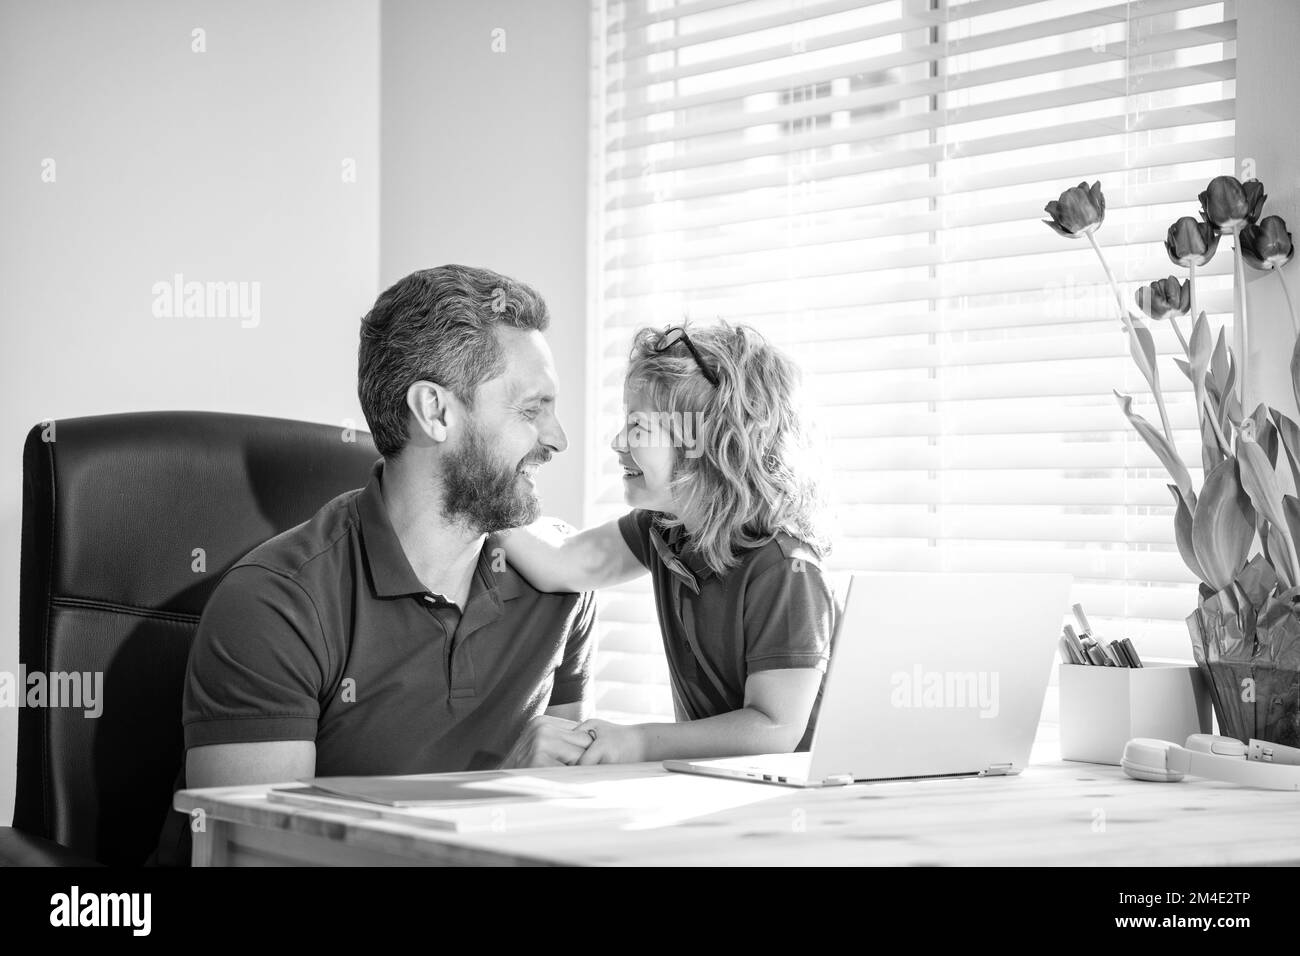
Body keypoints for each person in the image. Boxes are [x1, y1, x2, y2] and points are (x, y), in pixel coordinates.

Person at [151, 264, 596, 864]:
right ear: (435, 411)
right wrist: (496, 792)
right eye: (531, 410)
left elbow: (561, 818)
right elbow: (261, 858)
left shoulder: (559, 590)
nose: (558, 438)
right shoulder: (277, 604)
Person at [500, 321, 836, 765]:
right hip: (718, 790)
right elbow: (565, 564)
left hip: (794, 803)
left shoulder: (784, 567)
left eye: (638, 427)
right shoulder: (663, 529)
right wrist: (478, 497)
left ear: (709, 443)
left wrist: (637, 742)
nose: (618, 442)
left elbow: (775, 728)